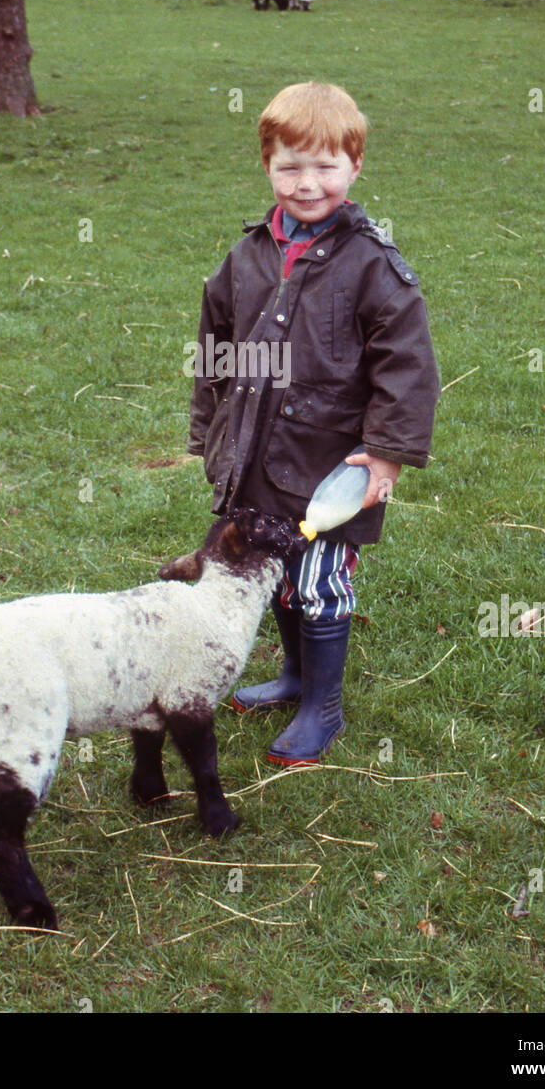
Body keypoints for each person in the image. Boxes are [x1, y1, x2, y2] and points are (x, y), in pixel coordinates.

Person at [186, 81, 440, 765]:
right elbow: (214, 344)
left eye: (325, 166)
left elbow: (408, 369)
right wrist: (208, 432)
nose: (306, 183)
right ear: (266, 165)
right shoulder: (246, 256)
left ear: (356, 166)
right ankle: (295, 677)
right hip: (253, 454)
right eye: (289, 166)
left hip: (333, 469)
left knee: (321, 581)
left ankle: (323, 707)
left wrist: (384, 457)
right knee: (274, 568)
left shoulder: (375, 268)